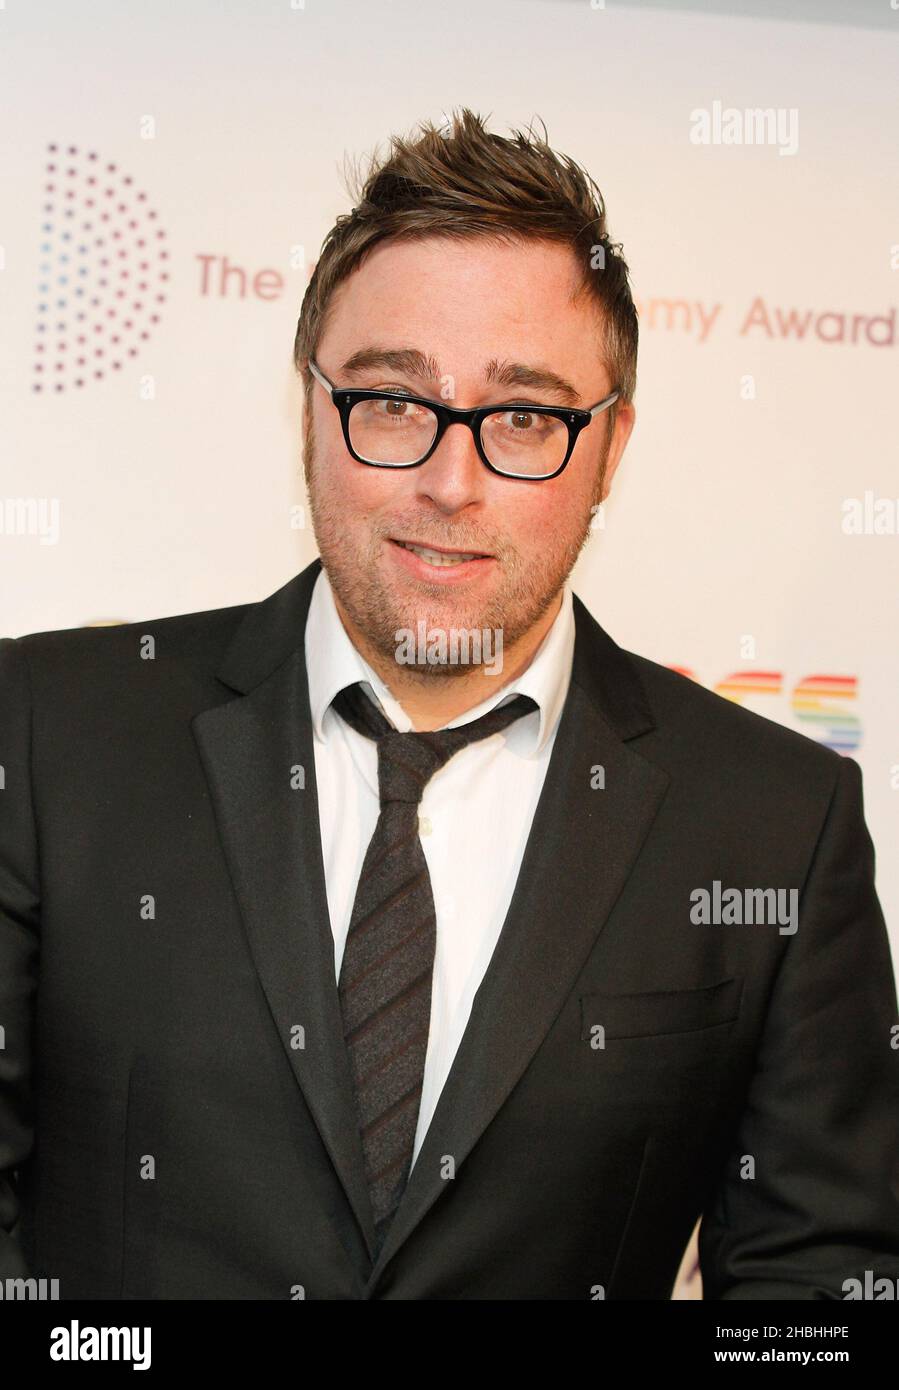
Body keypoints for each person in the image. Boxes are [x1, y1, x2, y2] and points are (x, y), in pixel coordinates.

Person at [1, 108, 897, 1301]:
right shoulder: (46, 734)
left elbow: (816, 1278)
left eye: (523, 415)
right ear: (310, 411)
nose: (449, 479)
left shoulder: (777, 823)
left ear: (610, 447)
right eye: (390, 399)